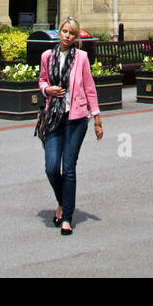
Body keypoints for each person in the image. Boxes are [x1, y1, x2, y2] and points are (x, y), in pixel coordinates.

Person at [39, 15, 103, 235]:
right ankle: (63, 200)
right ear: (60, 32)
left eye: (71, 33)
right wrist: (47, 90)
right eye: (64, 31)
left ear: (76, 37)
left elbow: (89, 87)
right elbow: (42, 80)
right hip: (53, 117)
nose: (67, 36)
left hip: (75, 118)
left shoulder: (82, 58)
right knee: (50, 167)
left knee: (68, 168)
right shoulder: (47, 56)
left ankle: (67, 217)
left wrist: (96, 118)